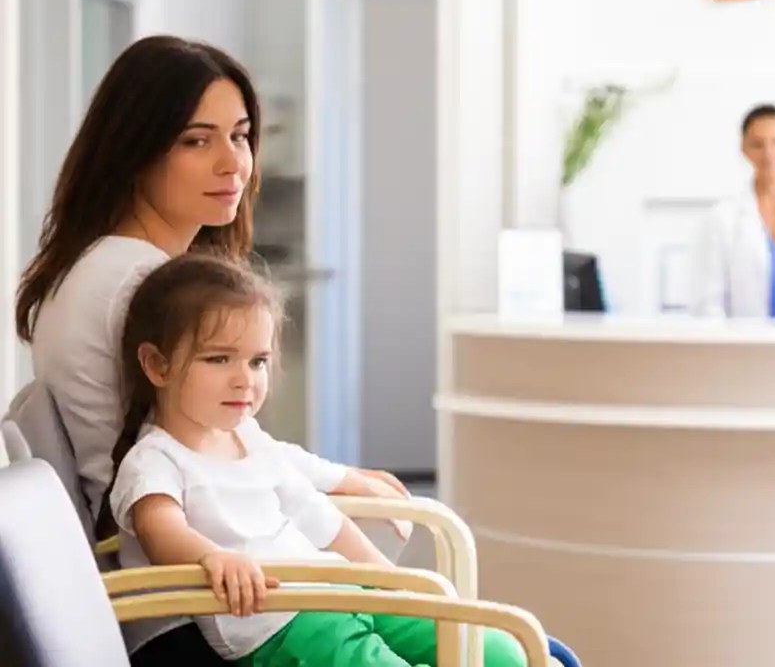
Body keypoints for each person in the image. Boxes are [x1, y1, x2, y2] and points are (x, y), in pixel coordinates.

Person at [12, 35, 408, 664]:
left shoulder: (107, 263)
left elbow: (238, 452)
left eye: (241, 135)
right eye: (196, 141)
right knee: (529, 648)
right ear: (134, 152)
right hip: (200, 613)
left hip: (192, 596)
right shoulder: (135, 283)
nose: (233, 163)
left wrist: (338, 481)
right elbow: (199, 474)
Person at [101, 254, 526, 666]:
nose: (245, 379)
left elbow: (315, 506)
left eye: (258, 361)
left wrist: (392, 582)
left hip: (336, 587)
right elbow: (159, 529)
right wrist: (211, 558)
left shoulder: (246, 437)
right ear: (157, 365)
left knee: (500, 652)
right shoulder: (153, 460)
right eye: (218, 359)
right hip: (282, 624)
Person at [690, 104, 775, 318]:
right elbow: (709, 303)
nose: (769, 153)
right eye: (757, 144)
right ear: (744, 149)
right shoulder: (723, 218)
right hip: (742, 347)